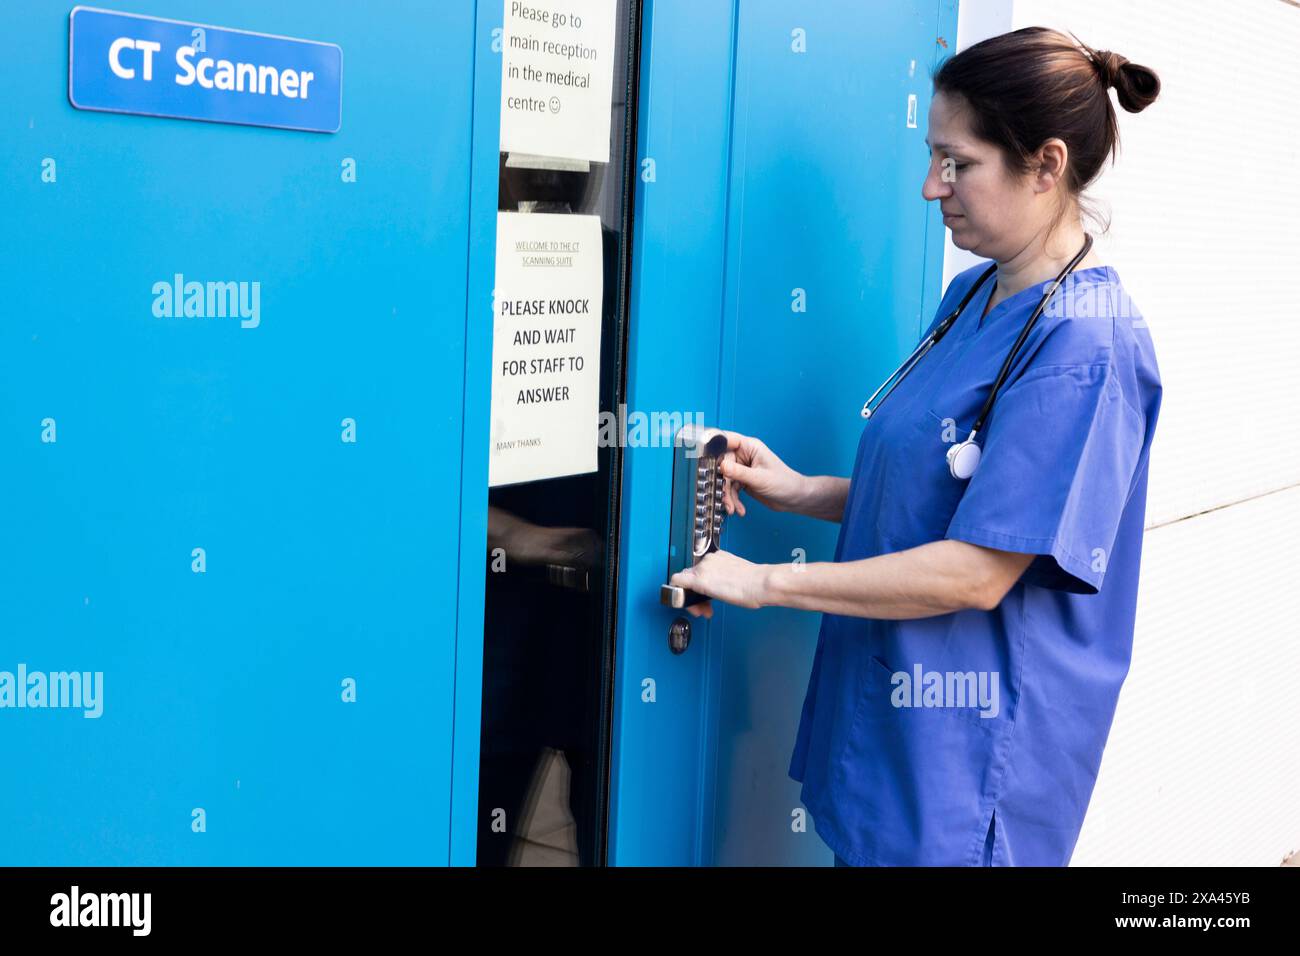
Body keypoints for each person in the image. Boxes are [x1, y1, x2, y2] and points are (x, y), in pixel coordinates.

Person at [667, 27, 1163, 866]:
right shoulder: (972, 295)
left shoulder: (1088, 348)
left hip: (967, 767)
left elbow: (979, 569)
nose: (931, 188)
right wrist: (801, 490)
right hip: (889, 736)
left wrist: (763, 581)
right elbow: (942, 491)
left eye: (956, 162)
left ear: (1045, 165)